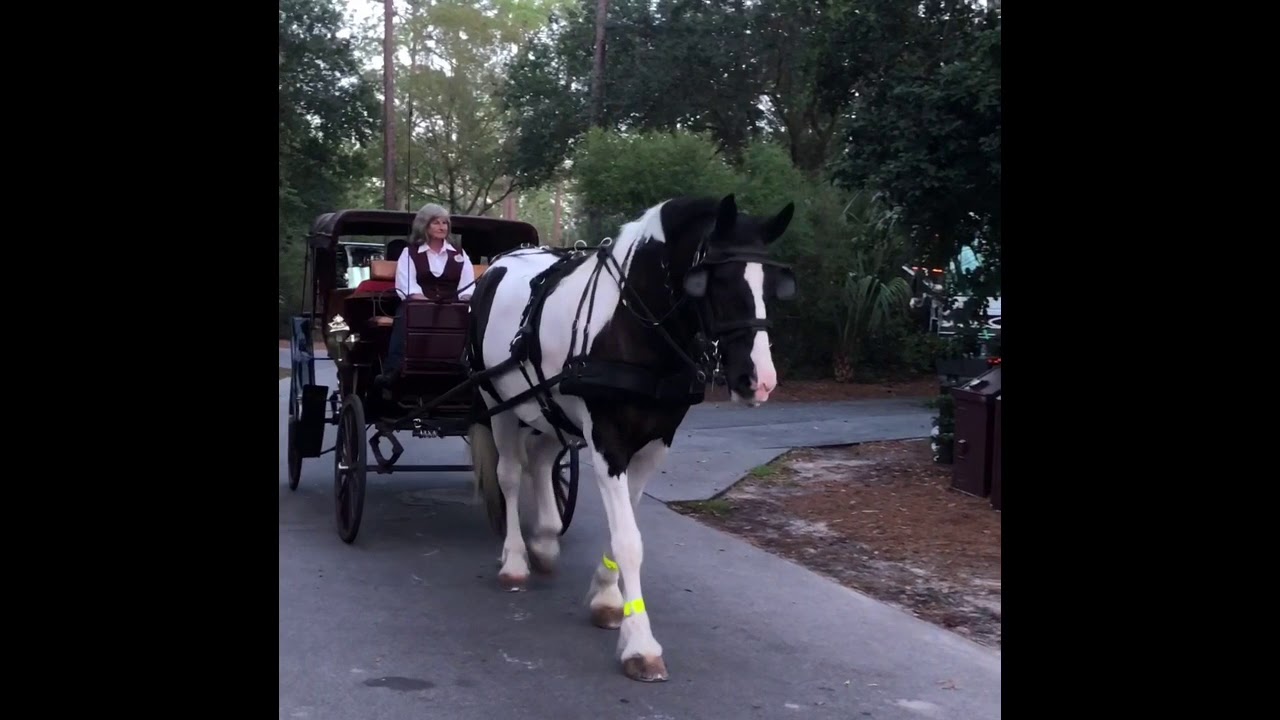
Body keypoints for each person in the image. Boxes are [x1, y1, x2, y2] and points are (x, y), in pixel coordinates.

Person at [375, 204, 476, 387]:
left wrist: (459, 303)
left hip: (453, 307)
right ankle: (395, 369)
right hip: (417, 306)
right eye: (436, 223)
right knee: (407, 313)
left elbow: (468, 288)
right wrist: (428, 304)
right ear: (424, 226)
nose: (442, 227)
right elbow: (407, 287)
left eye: (445, 223)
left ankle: (468, 364)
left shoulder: (460, 254)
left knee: (470, 316)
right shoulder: (410, 253)